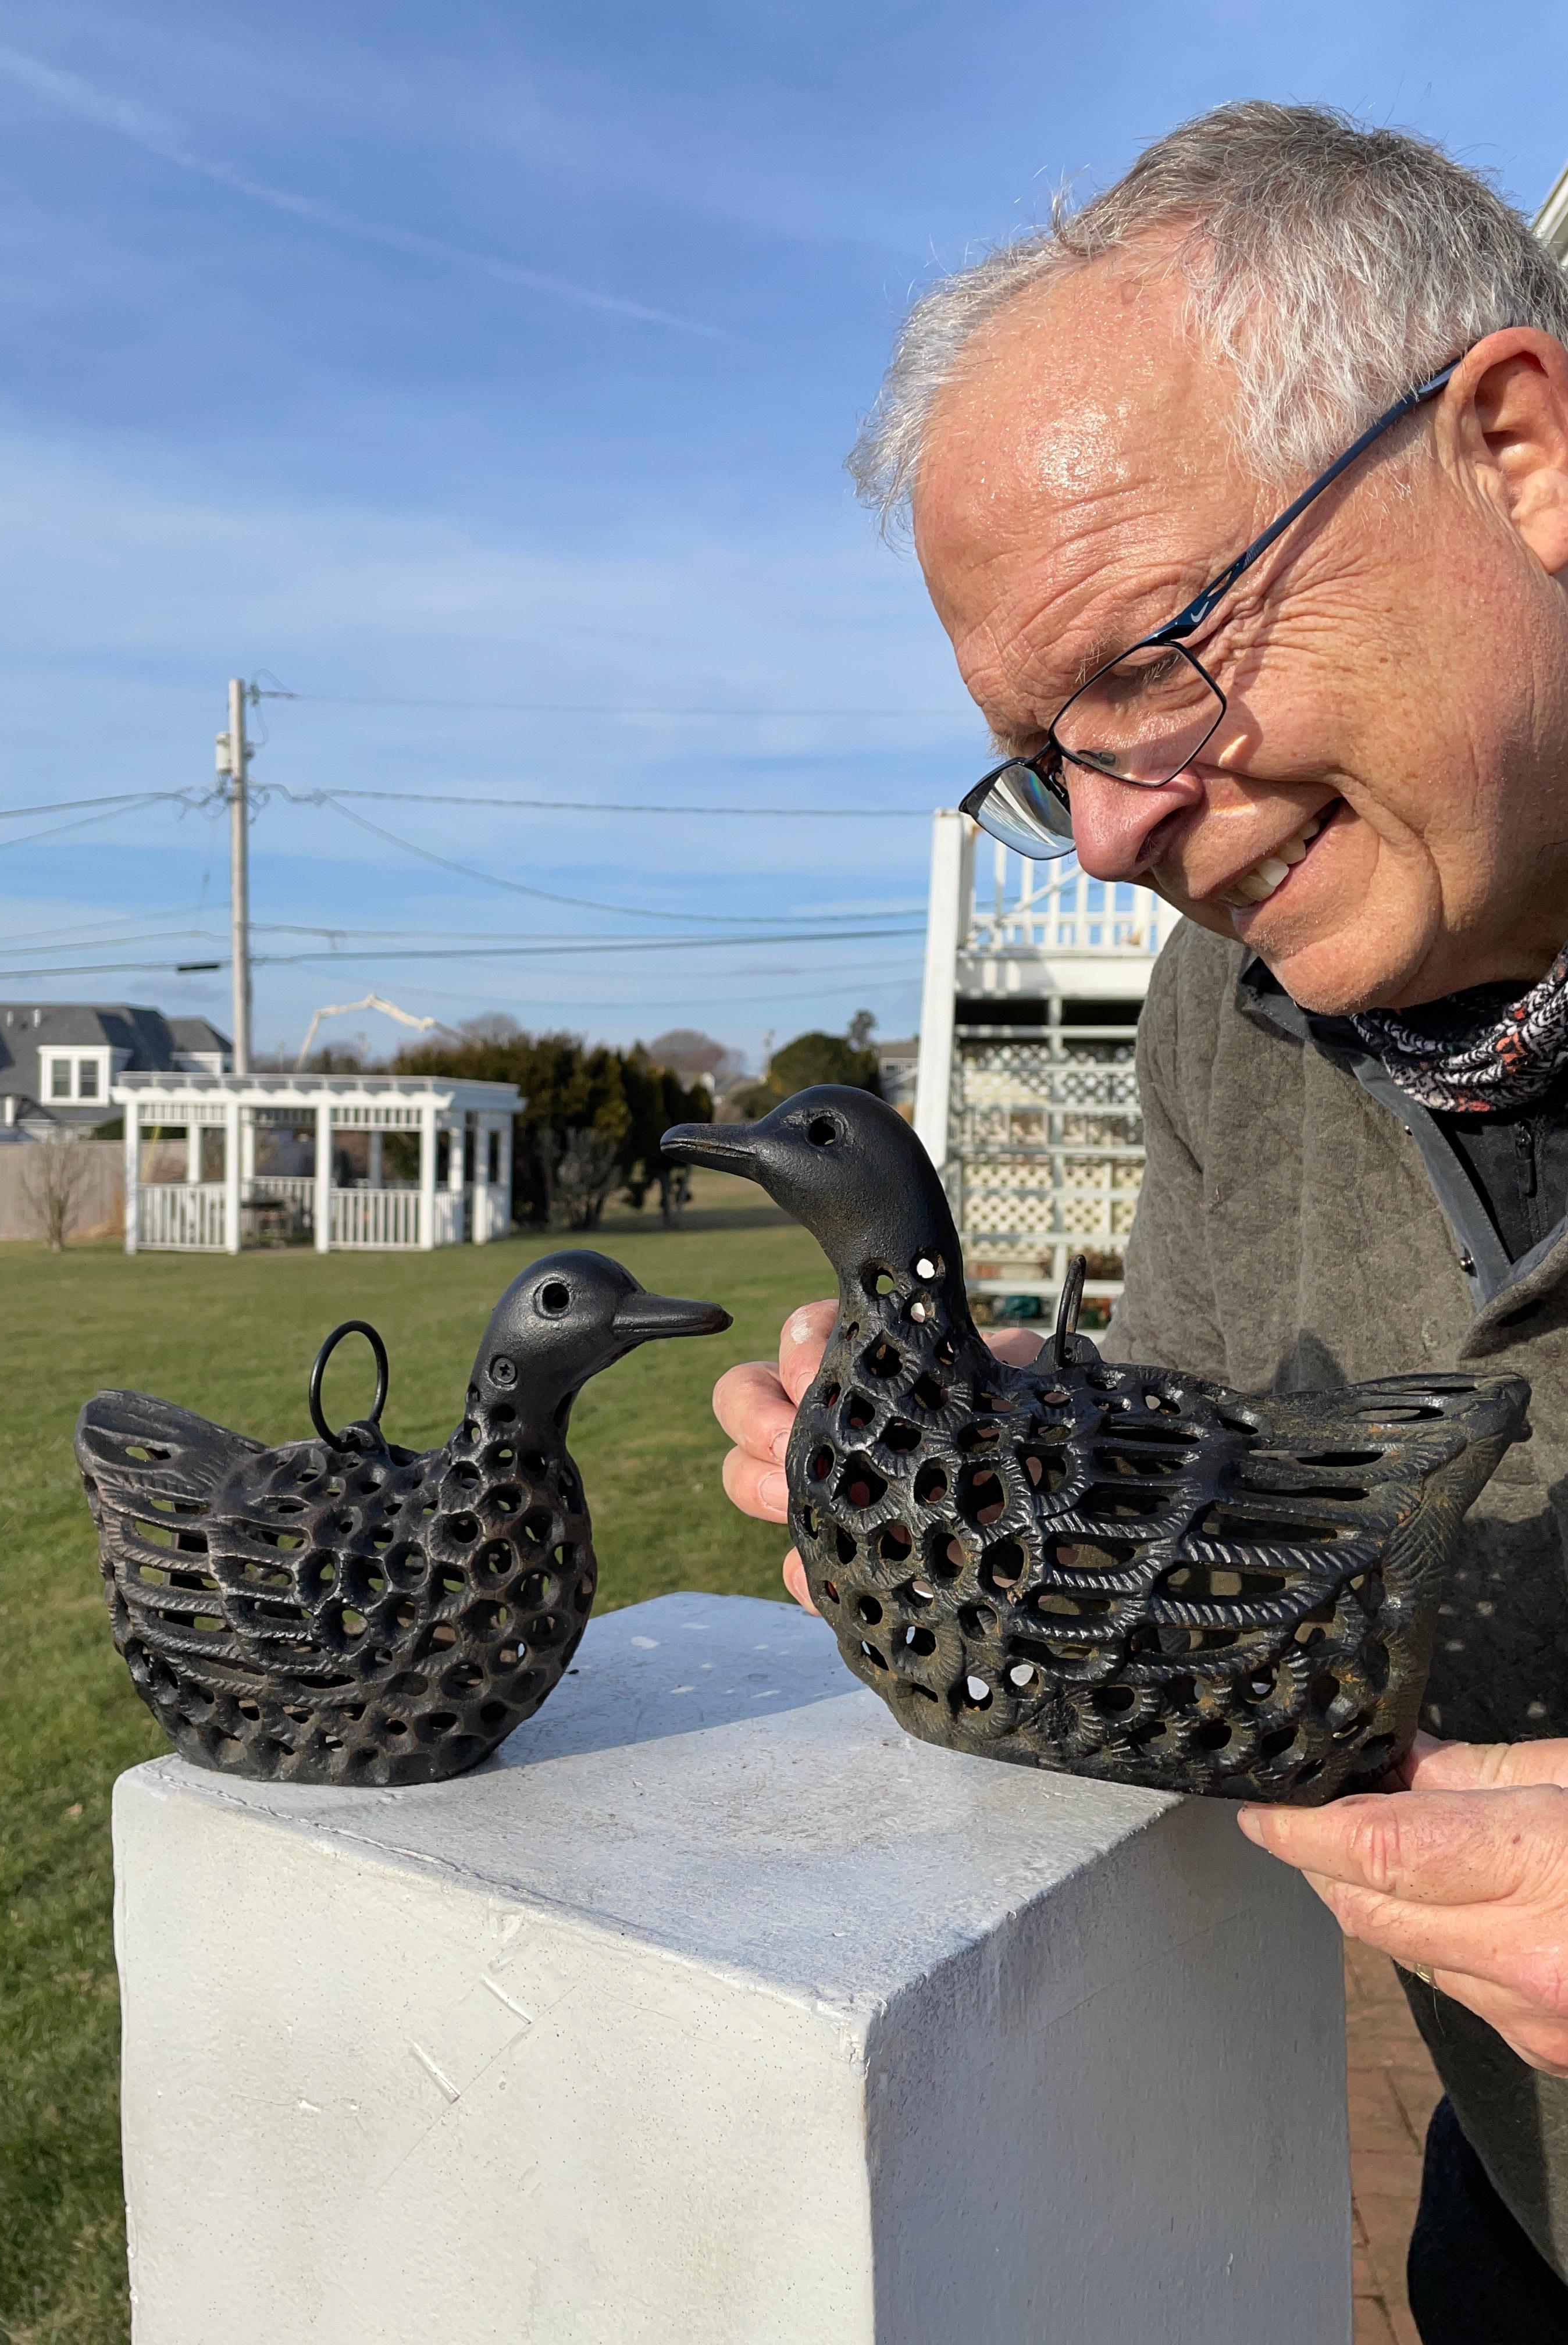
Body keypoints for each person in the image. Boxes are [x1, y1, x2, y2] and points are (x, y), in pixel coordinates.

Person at [713, 104, 1568, 2342]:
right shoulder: (1233, 1012)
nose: (1102, 836)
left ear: (1516, 450)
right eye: (1039, 751)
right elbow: (1230, 1508)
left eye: (1148, 660)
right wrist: (1022, 1488)